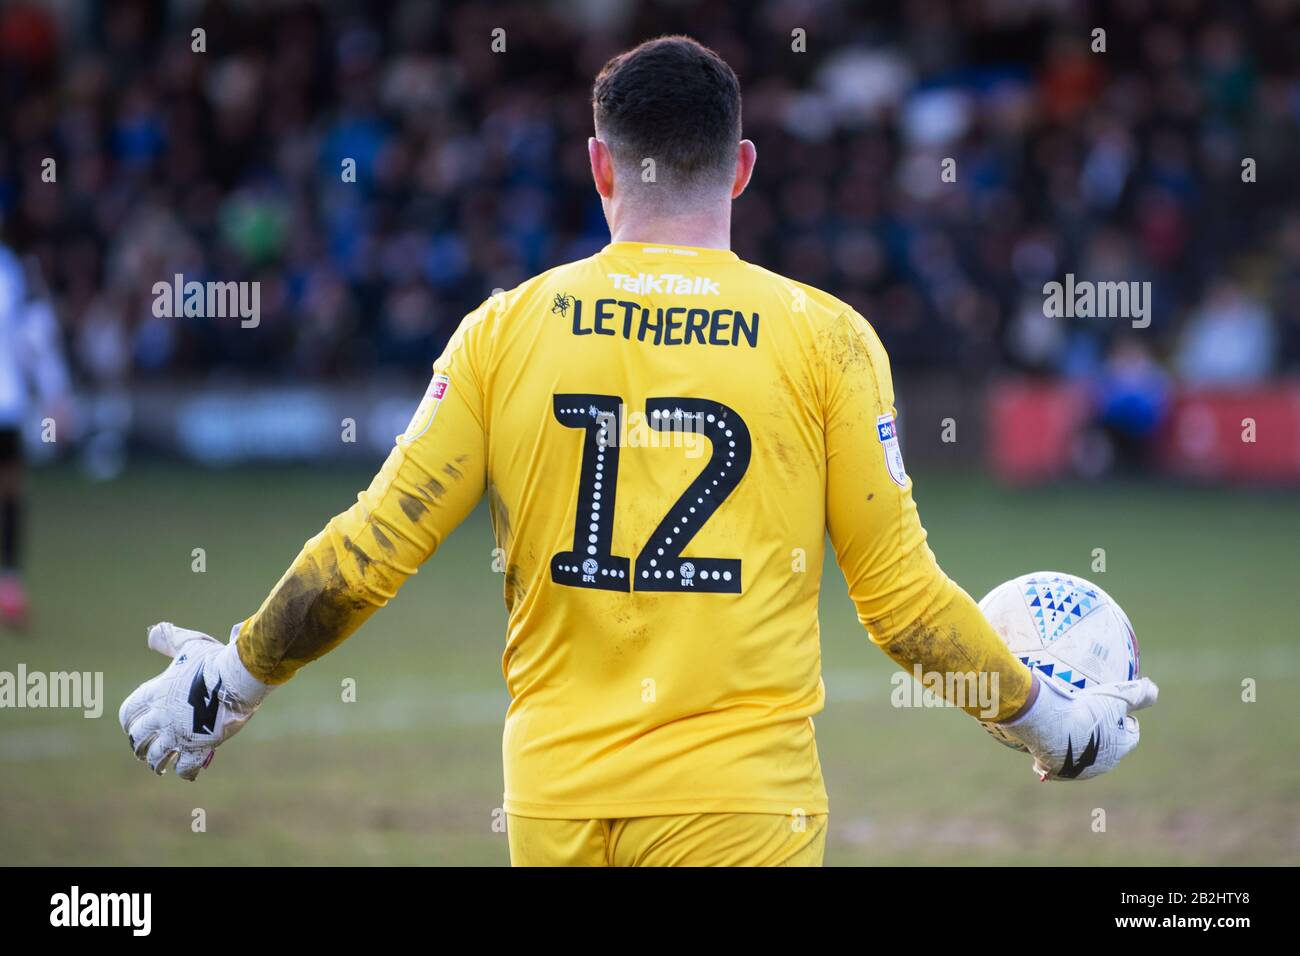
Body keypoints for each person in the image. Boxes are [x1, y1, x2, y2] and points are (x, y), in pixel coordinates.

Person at [118, 36, 1157, 867]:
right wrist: (1043, 719)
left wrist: (236, 677)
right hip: (741, 807)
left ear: (599, 164)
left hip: (553, 804)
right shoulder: (827, 337)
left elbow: (367, 553)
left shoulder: (502, 330)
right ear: (741, 166)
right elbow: (903, 609)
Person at [0, 241, 71, 629]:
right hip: (7, 402)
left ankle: (10, 585)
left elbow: (32, 337)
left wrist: (54, 397)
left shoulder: (10, 269)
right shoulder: (10, 270)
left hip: (6, 403)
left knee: (10, 492)